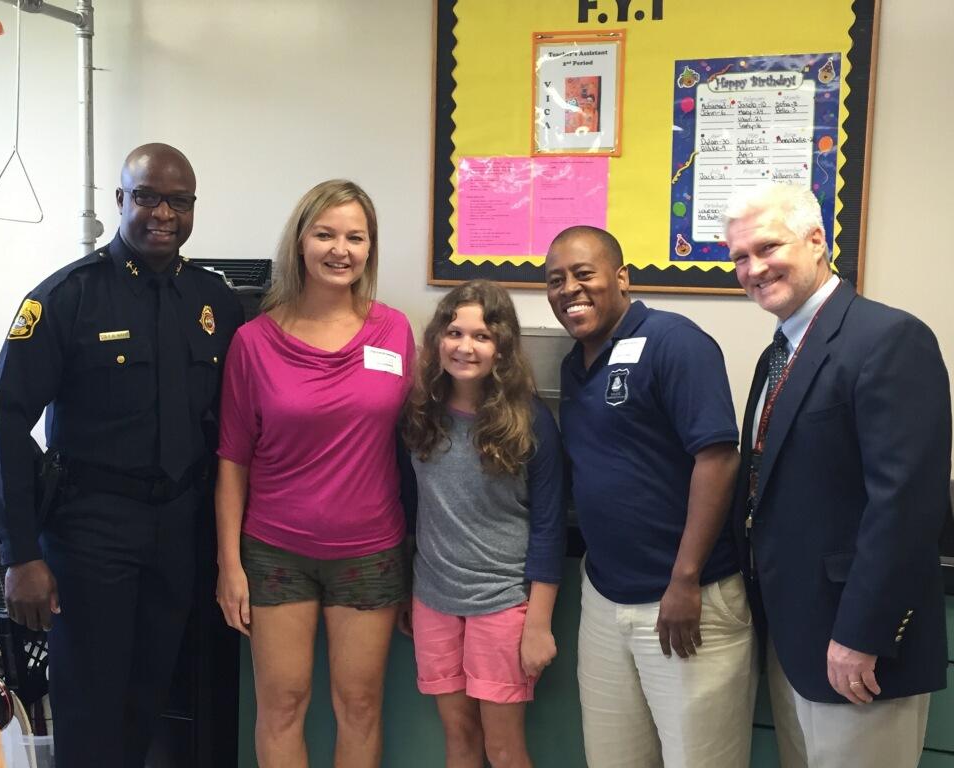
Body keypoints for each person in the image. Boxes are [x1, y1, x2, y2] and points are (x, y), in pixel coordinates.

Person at [0, 143, 244, 768]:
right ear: (121, 199)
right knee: (88, 701)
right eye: (148, 197)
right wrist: (19, 554)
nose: (164, 214)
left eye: (179, 201)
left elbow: (231, 423)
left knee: (150, 697)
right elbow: (4, 420)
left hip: (179, 529)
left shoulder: (215, 301)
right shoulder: (68, 296)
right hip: (91, 531)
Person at [723, 183, 951, 768]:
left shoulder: (887, 338)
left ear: (816, 240)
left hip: (858, 649)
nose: (753, 269)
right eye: (740, 257)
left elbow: (905, 507)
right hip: (796, 636)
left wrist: (861, 635)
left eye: (767, 247)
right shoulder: (779, 351)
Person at [215, 180, 415, 768]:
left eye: (356, 237)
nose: (340, 250)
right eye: (325, 234)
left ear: (370, 248)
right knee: (282, 705)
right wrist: (230, 566)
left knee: (360, 705)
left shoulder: (395, 331)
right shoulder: (253, 342)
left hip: (371, 552)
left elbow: (423, 434)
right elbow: (233, 461)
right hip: (275, 552)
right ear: (300, 242)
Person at [545, 226, 756, 768]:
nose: (569, 289)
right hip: (604, 598)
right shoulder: (574, 364)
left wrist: (684, 580)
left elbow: (718, 458)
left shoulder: (674, 341)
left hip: (686, 600)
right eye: (555, 280)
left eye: (583, 274)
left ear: (622, 278)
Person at [401, 280, 565, 768]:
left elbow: (549, 528)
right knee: (459, 738)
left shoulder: (530, 420)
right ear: (438, 338)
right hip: (433, 599)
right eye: (454, 332)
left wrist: (538, 625)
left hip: (502, 603)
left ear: (503, 347)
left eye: (482, 336)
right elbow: (410, 506)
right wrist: (406, 589)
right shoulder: (419, 413)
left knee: (504, 748)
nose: (465, 347)